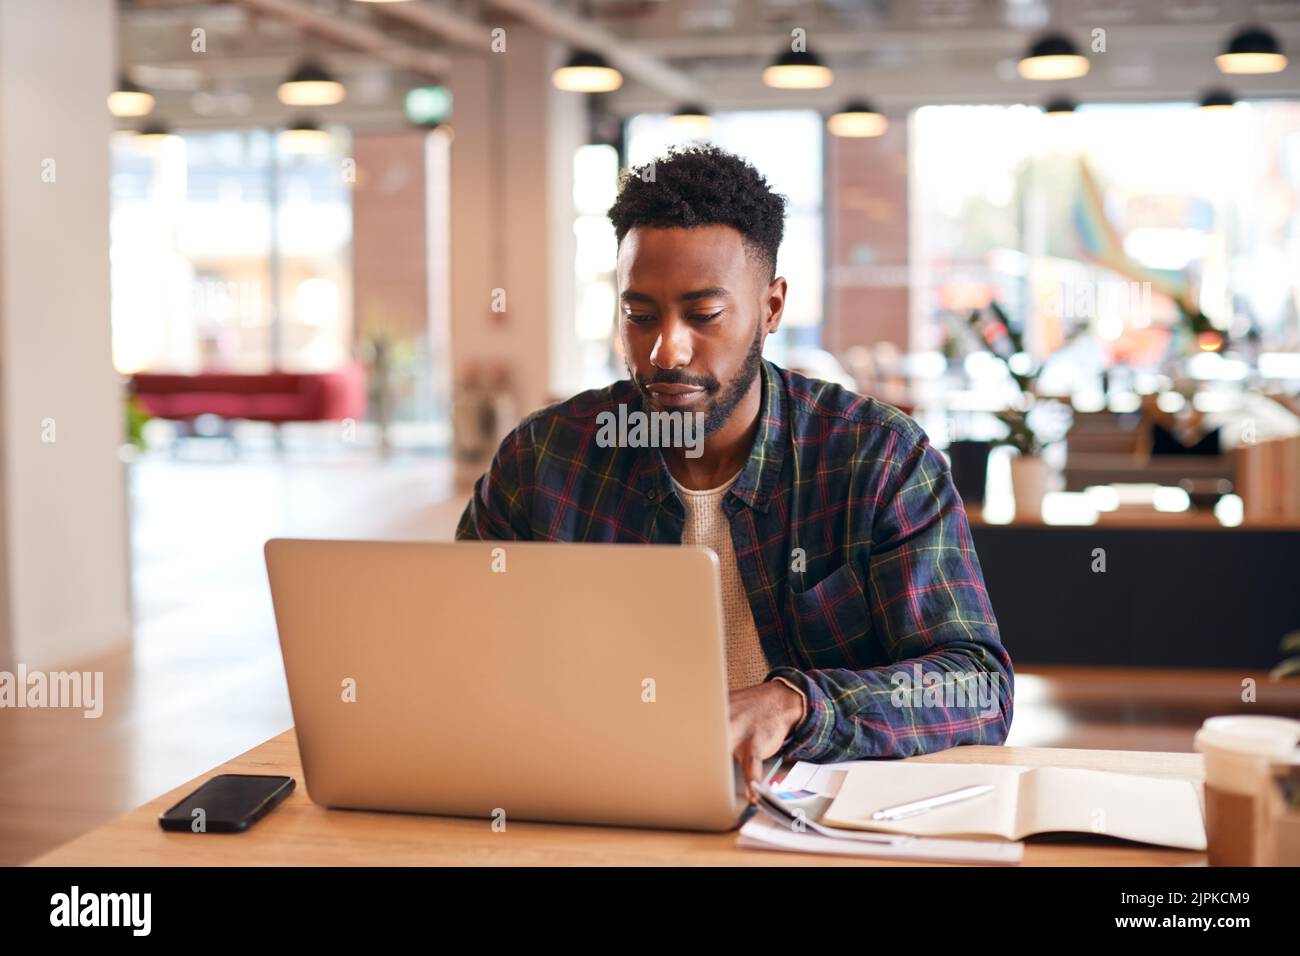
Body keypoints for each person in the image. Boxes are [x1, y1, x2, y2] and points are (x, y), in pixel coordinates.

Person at [457, 144, 1013, 800]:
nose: (667, 350)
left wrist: (795, 704)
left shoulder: (879, 459)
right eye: (640, 316)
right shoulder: (542, 461)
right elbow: (464, 654)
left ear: (771, 308)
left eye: (703, 315)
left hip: (801, 819)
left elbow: (974, 684)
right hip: (592, 802)